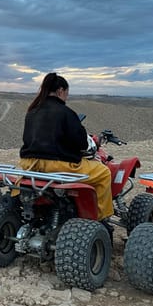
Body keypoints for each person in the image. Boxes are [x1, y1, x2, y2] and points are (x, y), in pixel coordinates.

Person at [18, 72, 114, 232]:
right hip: (56, 165)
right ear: (61, 91)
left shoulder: (33, 111)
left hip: (30, 164)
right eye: (66, 94)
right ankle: (99, 221)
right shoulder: (65, 112)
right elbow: (81, 142)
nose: (66, 98)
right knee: (104, 173)